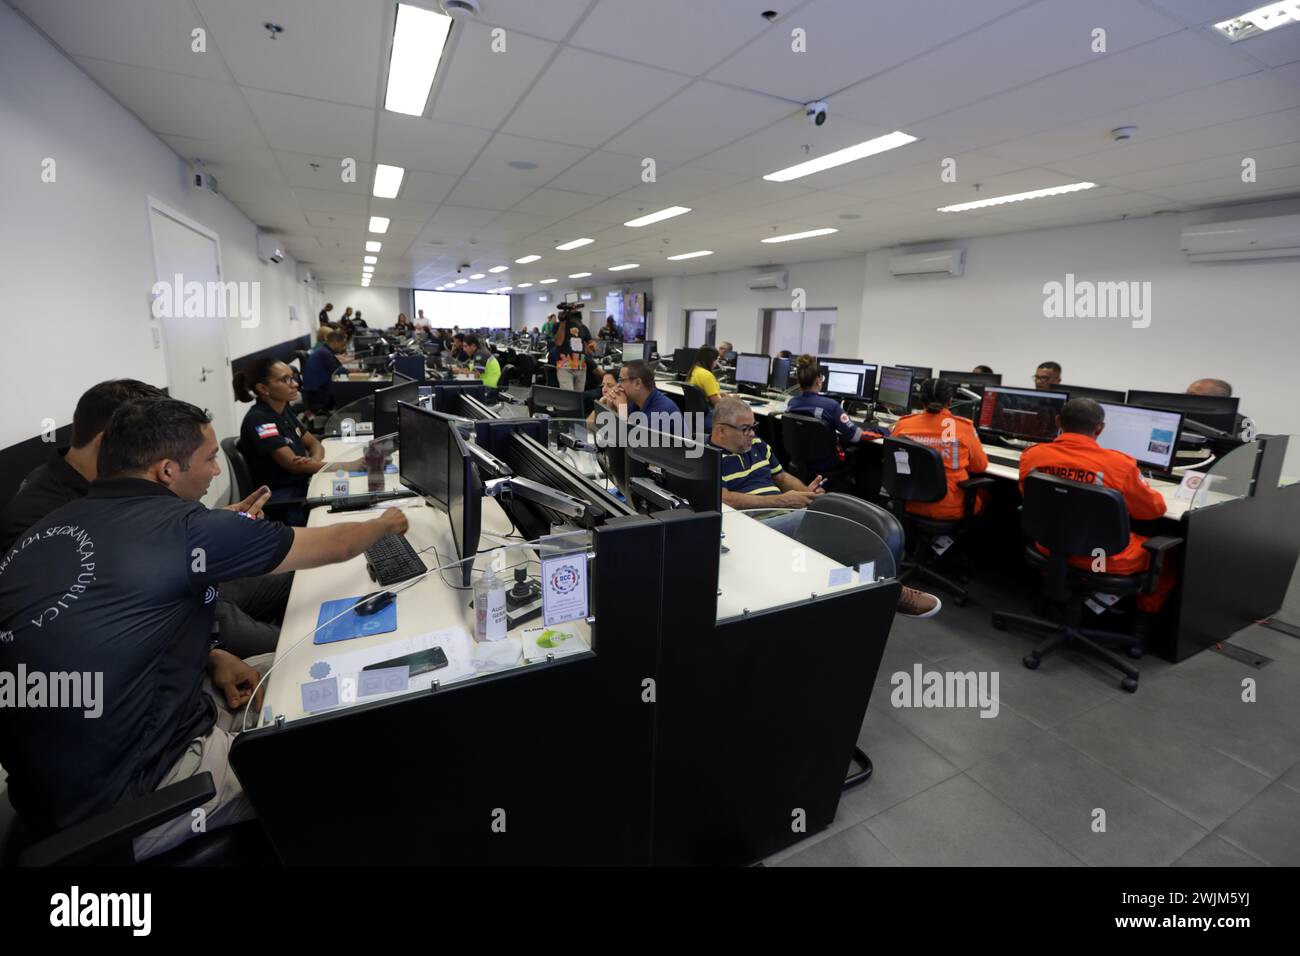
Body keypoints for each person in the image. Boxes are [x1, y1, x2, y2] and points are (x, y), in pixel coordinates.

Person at [0, 397, 410, 859]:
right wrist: (386, 522)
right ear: (166, 471)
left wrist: (212, 655)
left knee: (318, 661)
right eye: (210, 459)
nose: (217, 472)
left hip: (62, 785)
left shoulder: (50, 526)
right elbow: (336, 545)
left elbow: (124, 623)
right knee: (354, 754)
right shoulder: (186, 528)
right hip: (134, 800)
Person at [1, 379, 293, 659]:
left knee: (297, 578)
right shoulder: (43, 520)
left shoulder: (113, 480)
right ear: (114, 441)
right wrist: (211, 653)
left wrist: (218, 522)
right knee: (293, 646)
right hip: (168, 619)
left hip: (192, 588)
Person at [709, 397, 941, 619]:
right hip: (754, 522)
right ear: (721, 430)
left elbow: (782, 478)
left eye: (754, 427)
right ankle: (891, 592)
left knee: (840, 523)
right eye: (745, 429)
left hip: (786, 511)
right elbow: (724, 498)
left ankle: (875, 588)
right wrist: (780, 501)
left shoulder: (758, 446)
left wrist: (804, 494)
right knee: (836, 525)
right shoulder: (708, 456)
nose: (752, 434)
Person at [1019, 398, 1175, 621]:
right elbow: (1153, 511)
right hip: (1099, 558)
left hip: (1050, 547)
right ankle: (1142, 627)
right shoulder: (1120, 465)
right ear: (1100, 428)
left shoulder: (1032, 455)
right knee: (1168, 557)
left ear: (1058, 421)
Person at [234, 359, 340, 524]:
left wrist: (313, 461)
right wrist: (348, 466)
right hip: (284, 499)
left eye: (293, 378)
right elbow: (294, 465)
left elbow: (314, 444)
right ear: (263, 388)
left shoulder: (283, 410)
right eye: (285, 380)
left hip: (301, 486)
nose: (295, 384)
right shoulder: (259, 420)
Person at [889, 377, 990, 520]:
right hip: (951, 507)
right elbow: (980, 467)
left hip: (910, 502)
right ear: (950, 401)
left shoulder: (903, 425)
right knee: (986, 495)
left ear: (920, 399)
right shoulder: (964, 428)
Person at [786, 354, 890, 476]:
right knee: (866, 452)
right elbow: (856, 436)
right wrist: (885, 431)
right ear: (818, 380)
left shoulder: (792, 404)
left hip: (801, 460)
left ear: (799, 381)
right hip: (827, 462)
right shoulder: (831, 406)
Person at [613, 360, 684, 436]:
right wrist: (610, 405)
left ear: (637, 383)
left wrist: (622, 408)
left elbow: (628, 440)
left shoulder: (661, 412)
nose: (618, 386)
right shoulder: (636, 401)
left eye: (621, 380)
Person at [301, 329, 358, 411]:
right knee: (353, 387)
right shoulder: (324, 353)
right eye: (342, 345)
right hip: (317, 393)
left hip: (317, 390)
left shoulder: (324, 350)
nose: (343, 348)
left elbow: (337, 368)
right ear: (334, 343)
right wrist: (356, 374)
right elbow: (339, 372)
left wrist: (350, 371)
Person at [554, 309, 592, 392]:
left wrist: (592, 346)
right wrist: (562, 322)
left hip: (580, 366)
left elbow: (590, 346)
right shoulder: (558, 325)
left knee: (578, 398)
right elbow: (559, 342)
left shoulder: (583, 328)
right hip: (565, 366)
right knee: (569, 397)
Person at [687, 345, 723, 422]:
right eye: (717, 359)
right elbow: (717, 404)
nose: (717, 362)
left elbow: (704, 393)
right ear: (711, 360)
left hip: (695, 417)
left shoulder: (695, 370)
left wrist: (720, 394)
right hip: (708, 417)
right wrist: (733, 400)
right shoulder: (707, 375)